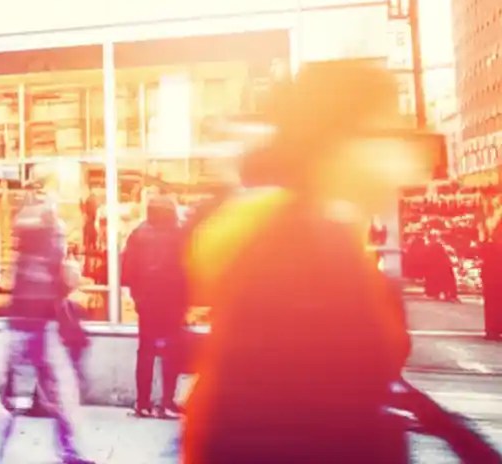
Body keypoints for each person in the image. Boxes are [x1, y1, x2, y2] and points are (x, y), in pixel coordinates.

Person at [183, 60, 431, 464]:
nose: (402, 157)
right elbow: (276, 427)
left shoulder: (326, 236)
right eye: (385, 133)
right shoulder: (299, 252)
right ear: (338, 143)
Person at [0, 176, 93, 464]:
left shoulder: (26, 244)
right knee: (61, 394)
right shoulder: (47, 242)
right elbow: (58, 285)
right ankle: (68, 451)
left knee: (17, 398)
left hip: (21, 327)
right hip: (40, 329)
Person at [121, 195, 188, 419]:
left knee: (146, 352)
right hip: (172, 301)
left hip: (147, 302)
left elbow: (127, 270)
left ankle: (143, 403)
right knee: (171, 352)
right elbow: (188, 268)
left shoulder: (138, 233)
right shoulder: (179, 234)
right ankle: (167, 402)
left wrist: (137, 296)